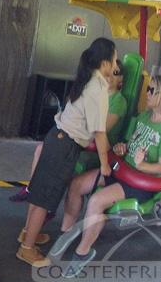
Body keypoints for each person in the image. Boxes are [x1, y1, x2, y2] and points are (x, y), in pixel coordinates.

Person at [61, 75, 161, 277]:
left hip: (138, 184)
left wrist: (142, 164)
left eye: (151, 90)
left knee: (96, 201)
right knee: (77, 185)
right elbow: (127, 143)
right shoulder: (142, 117)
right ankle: (66, 232)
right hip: (121, 170)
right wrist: (122, 147)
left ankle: (82, 253)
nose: (147, 94)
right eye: (147, 89)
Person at [16, 38, 117, 268]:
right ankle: (27, 249)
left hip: (56, 138)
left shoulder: (87, 79)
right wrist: (104, 165)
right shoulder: (98, 88)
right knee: (45, 197)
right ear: (104, 62)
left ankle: (27, 234)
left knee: (39, 191)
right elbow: (99, 132)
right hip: (65, 146)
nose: (115, 64)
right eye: (113, 59)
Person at [11, 60, 127, 205]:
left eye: (115, 73)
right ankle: (31, 190)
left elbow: (99, 131)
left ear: (121, 79)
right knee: (42, 149)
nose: (110, 76)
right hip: (79, 139)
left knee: (57, 158)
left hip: (93, 148)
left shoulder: (118, 102)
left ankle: (45, 205)